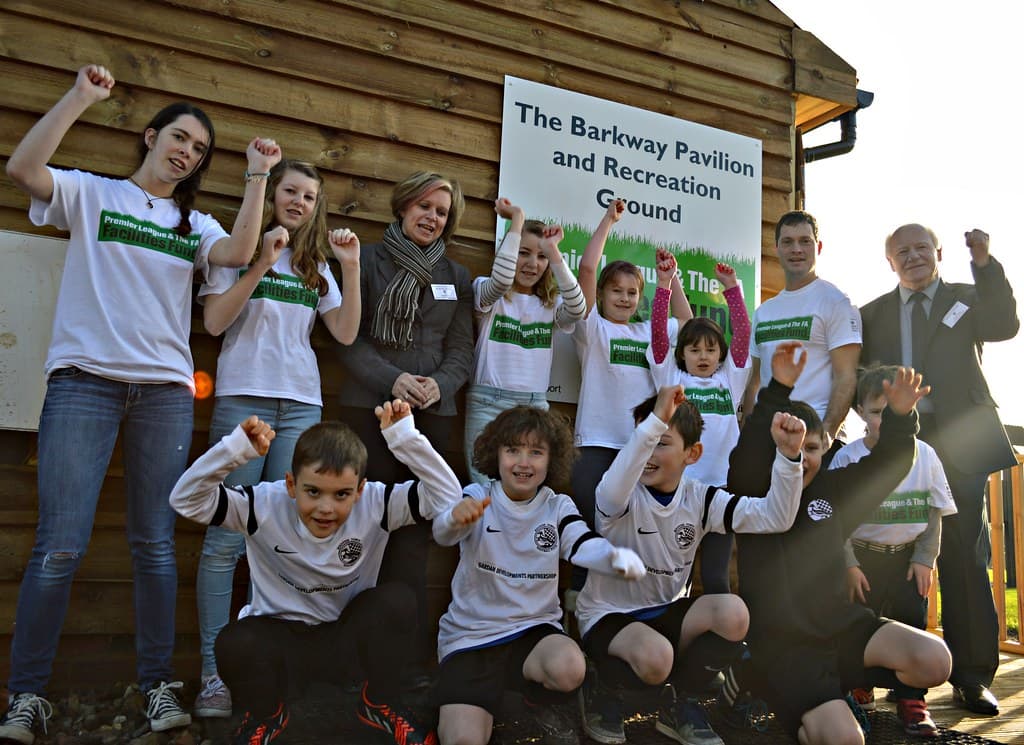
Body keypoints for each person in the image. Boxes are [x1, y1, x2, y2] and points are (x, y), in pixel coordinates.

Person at [0, 64, 281, 743]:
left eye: (198, 149)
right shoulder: (94, 195)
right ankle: (26, 696)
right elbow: (24, 170)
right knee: (60, 546)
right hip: (83, 383)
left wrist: (256, 173)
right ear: (151, 138)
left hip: (163, 392)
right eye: (179, 137)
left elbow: (241, 250)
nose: (186, 152)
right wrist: (81, 97)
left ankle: (157, 684)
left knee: (155, 544)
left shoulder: (195, 222)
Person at [169, 400, 463, 745]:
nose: (326, 508)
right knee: (234, 642)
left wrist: (404, 437)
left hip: (345, 641)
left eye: (341, 495)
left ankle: (378, 703)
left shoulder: (376, 504)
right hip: (283, 645)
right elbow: (185, 499)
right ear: (291, 485)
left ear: (360, 490)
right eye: (312, 492)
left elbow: (448, 496)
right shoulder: (262, 504)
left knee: (398, 600)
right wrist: (234, 450)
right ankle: (267, 716)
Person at [191, 160, 363, 718]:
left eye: (309, 196)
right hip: (244, 400)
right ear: (273, 194)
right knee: (225, 541)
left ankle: (280, 670)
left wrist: (352, 266)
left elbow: (344, 332)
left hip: (301, 407)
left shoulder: (316, 266)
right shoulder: (240, 251)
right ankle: (214, 676)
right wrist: (261, 262)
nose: (299, 202)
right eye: (291, 191)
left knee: (287, 533)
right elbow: (215, 322)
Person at [722, 344, 952, 745]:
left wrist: (900, 416)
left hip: (841, 627)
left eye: (811, 448)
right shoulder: (753, 494)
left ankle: (839, 687)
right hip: (786, 647)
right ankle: (758, 676)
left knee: (935, 661)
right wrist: (777, 389)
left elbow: (889, 465)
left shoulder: (832, 491)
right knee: (845, 740)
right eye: (792, 447)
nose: (803, 457)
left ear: (824, 449)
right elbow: (747, 457)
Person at [576, 369, 806, 745]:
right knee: (656, 659)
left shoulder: (701, 499)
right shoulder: (618, 494)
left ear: (692, 454)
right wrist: (654, 423)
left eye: (661, 443)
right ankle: (604, 692)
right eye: (642, 440)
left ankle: (681, 703)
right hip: (609, 617)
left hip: (664, 614)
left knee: (734, 614)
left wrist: (789, 457)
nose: (648, 452)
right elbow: (620, 479)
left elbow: (775, 518)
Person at [859, 224, 1019, 715]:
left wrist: (985, 263)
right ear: (890, 263)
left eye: (921, 248)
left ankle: (972, 677)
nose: (912, 257)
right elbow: (858, 377)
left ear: (938, 253)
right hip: (897, 447)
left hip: (961, 445)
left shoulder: (968, 297)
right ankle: (885, 676)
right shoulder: (871, 315)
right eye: (901, 252)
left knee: (966, 558)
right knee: (888, 554)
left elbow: (1006, 323)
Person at [433, 406, 646, 745]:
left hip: (533, 633)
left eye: (536, 452)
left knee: (570, 667)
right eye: (512, 449)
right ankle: (495, 704)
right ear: (496, 454)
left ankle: (537, 703)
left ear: (551, 460)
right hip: (472, 639)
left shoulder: (556, 505)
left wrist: (613, 558)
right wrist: (453, 520)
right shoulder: (477, 496)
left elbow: (581, 543)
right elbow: (443, 535)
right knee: (463, 740)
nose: (523, 462)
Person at [337, 171, 474, 678]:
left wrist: (441, 384)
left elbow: (462, 348)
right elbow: (347, 339)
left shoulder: (457, 277)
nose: (431, 216)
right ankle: (349, 656)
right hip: (368, 411)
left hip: (432, 419)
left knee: (414, 537)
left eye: (441, 211)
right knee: (362, 528)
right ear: (402, 207)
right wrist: (394, 380)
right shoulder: (367, 260)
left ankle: (402, 662)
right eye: (423, 205)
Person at [569, 200, 692, 594]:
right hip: (596, 445)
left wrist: (670, 282)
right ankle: (579, 616)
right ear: (602, 293)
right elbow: (587, 268)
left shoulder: (648, 334)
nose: (624, 298)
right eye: (616, 291)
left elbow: (688, 324)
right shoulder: (591, 329)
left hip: (642, 450)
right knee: (589, 535)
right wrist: (609, 219)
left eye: (632, 292)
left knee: (635, 537)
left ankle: (631, 607)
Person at [835, 365, 957, 736]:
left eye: (893, 411)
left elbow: (936, 510)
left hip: (906, 559)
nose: (884, 420)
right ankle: (860, 686)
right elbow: (834, 521)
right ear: (860, 413)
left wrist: (924, 558)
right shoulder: (847, 458)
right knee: (859, 622)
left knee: (911, 620)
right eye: (876, 412)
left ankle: (911, 701)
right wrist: (850, 564)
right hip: (862, 558)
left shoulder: (926, 456)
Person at [463, 197, 587, 484]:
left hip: (534, 406)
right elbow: (502, 278)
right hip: (487, 401)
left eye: (540, 256)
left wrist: (554, 253)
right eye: (523, 253)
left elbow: (578, 309)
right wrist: (516, 218)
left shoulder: (550, 305)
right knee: (484, 489)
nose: (533, 263)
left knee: (525, 492)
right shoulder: (486, 291)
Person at [648, 256, 752, 594]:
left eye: (711, 349)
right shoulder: (672, 379)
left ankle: (717, 641)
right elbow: (659, 340)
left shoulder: (730, 380)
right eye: (694, 350)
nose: (703, 356)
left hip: (721, 490)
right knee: (675, 579)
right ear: (683, 355)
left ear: (720, 354)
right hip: (681, 492)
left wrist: (732, 289)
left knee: (717, 578)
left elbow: (743, 336)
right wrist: (663, 285)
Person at [740, 210, 861, 450]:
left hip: (813, 440)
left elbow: (846, 375)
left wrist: (827, 433)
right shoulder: (764, 311)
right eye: (788, 242)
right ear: (776, 248)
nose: (797, 249)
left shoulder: (835, 302)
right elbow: (755, 381)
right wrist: (747, 435)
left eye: (805, 241)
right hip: (766, 439)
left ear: (819, 247)